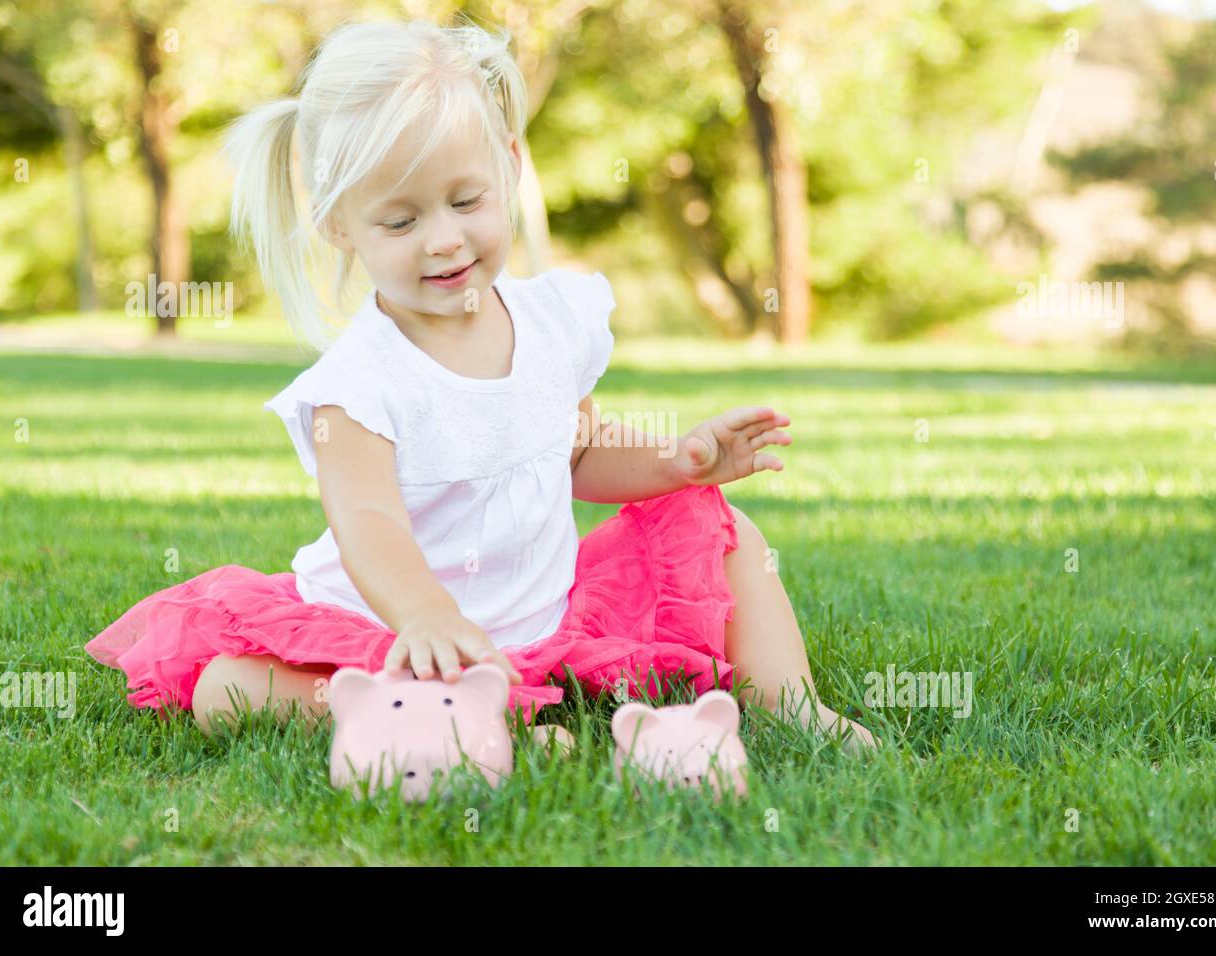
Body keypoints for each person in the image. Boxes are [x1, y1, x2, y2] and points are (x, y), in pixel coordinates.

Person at [83, 17, 877, 756]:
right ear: (338, 225)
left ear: (509, 163)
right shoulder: (358, 383)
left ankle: (790, 704)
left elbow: (577, 452)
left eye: (467, 200)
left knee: (718, 527)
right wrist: (427, 616)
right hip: (394, 624)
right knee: (231, 684)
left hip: (545, 616)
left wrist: (682, 460)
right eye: (399, 222)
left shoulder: (549, 321)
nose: (444, 239)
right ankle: (451, 720)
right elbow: (367, 522)